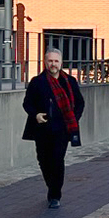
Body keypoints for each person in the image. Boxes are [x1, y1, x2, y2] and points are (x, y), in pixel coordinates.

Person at [23, 49, 85, 208]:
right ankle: (52, 186)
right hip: (42, 129)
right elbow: (27, 103)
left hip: (62, 130)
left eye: (56, 61)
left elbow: (80, 103)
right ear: (45, 62)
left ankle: (55, 195)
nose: (53, 64)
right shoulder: (37, 82)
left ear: (61, 63)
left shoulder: (69, 81)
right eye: (50, 61)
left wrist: (73, 119)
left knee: (57, 160)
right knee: (43, 160)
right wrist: (35, 114)